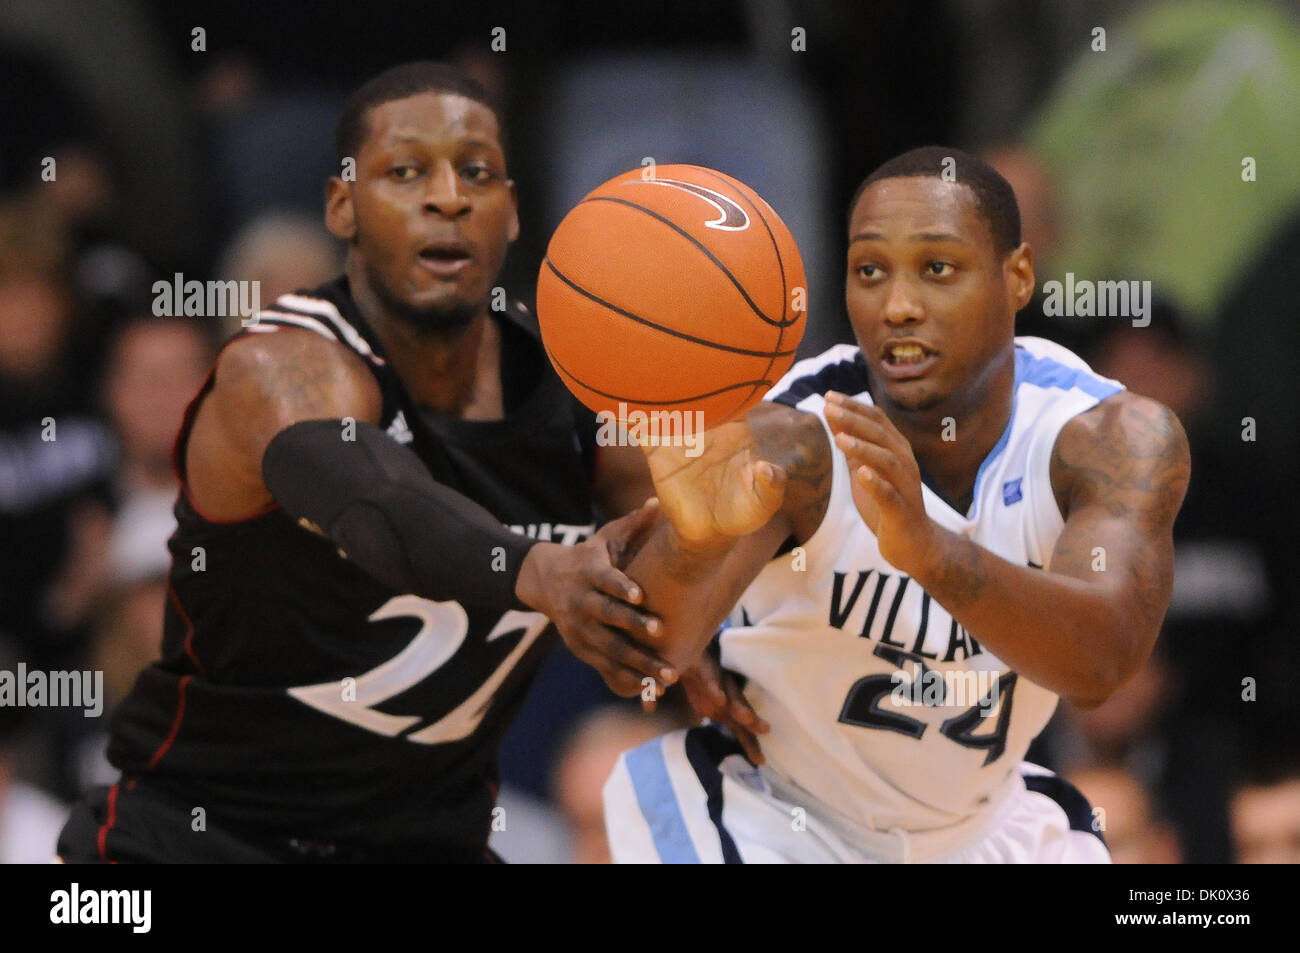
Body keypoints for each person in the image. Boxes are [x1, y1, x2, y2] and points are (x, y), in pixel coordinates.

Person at [57, 61, 670, 864]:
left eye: (476, 173)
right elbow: (377, 504)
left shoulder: (577, 398)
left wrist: (708, 638)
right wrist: (539, 568)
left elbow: (701, 522)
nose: (446, 196)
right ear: (342, 207)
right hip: (194, 841)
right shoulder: (279, 369)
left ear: (512, 212)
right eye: (406, 171)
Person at [604, 146, 1190, 863]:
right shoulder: (795, 442)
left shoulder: (1110, 438)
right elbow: (642, 659)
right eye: (869, 271)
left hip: (981, 828)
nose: (898, 306)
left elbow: (1103, 665)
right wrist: (690, 550)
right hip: (775, 819)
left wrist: (934, 553)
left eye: (937, 269)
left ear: (1018, 276)